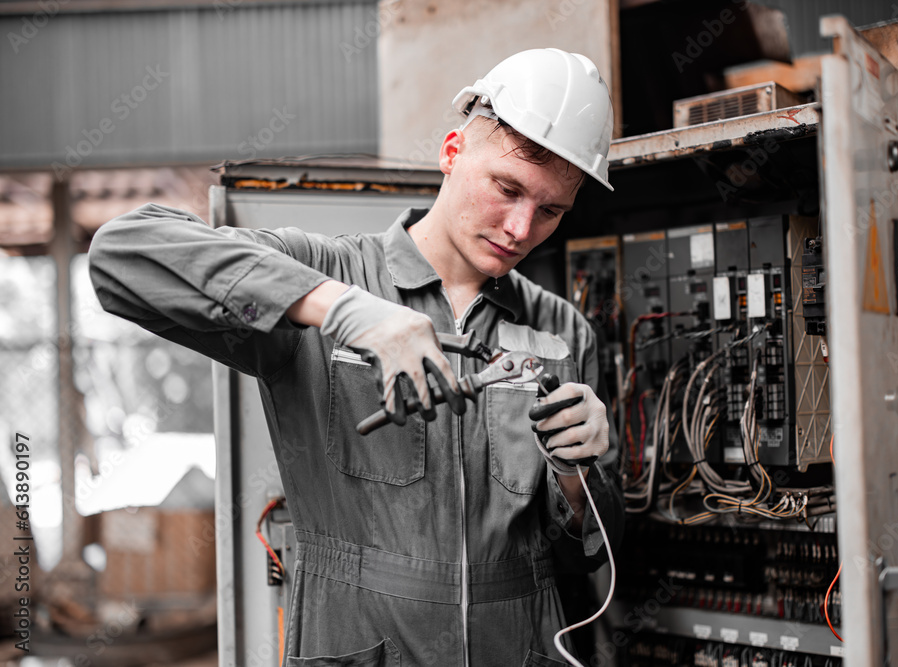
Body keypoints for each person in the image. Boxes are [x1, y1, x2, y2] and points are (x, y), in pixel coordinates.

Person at [89, 47, 624, 666]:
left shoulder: (562, 331)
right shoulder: (325, 270)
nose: (520, 228)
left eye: (550, 210)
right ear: (452, 153)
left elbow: (585, 553)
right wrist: (344, 309)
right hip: (358, 643)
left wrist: (578, 477)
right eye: (507, 189)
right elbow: (121, 255)